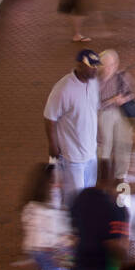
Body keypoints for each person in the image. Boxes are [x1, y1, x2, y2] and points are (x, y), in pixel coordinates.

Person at [21, 163, 76, 270]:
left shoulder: (36, 202)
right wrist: (64, 246)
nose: (59, 184)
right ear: (47, 183)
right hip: (47, 250)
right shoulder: (44, 207)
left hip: (42, 249)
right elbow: (52, 233)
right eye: (55, 181)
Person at [43, 49, 102, 201]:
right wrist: (53, 144)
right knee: (75, 200)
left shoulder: (94, 83)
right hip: (73, 157)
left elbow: (93, 110)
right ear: (80, 65)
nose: (95, 69)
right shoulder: (63, 89)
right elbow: (50, 117)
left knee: (89, 195)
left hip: (91, 153)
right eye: (92, 66)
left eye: (97, 66)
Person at [97, 49, 135, 183]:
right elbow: (93, 104)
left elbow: (133, 93)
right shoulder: (95, 81)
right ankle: (104, 175)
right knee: (105, 145)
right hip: (105, 113)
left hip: (122, 113)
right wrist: (111, 100)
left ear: (116, 65)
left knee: (123, 144)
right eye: (104, 65)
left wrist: (124, 99)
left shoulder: (122, 76)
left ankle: (120, 176)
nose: (108, 69)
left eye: (111, 65)